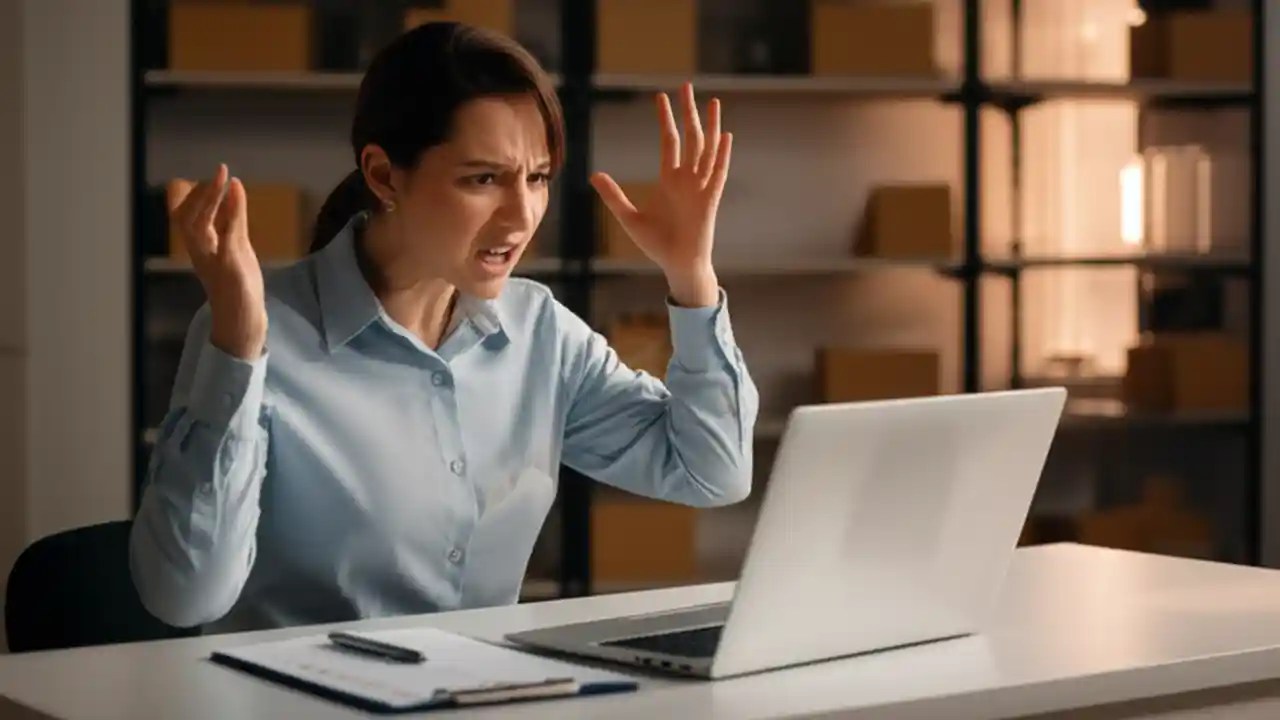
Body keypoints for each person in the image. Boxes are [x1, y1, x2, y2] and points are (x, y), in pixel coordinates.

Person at [130, 21, 758, 634]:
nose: (521, 217)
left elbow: (712, 470)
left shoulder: (538, 330)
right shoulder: (254, 332)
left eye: (537, 178)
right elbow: (185, 599)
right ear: (383, 175)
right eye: (482, 179)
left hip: (487, 696)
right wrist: (238, 348)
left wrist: (691, 274)